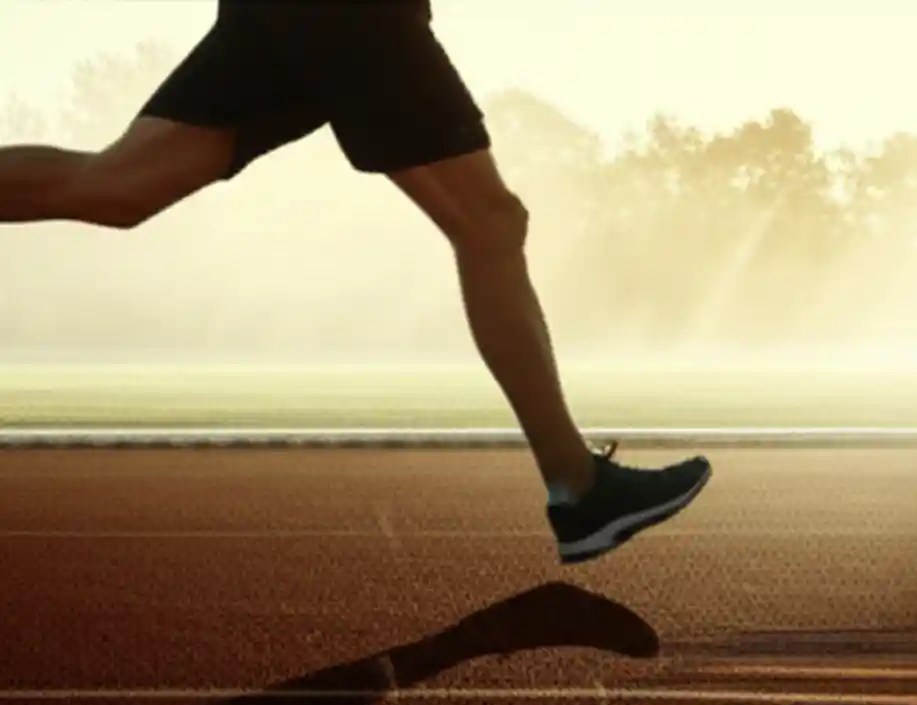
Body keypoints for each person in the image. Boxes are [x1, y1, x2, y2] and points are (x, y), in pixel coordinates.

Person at [0, 0, 712, 564]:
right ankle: (578, 487)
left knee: (117, 190)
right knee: (489, 224)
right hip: (351, 13)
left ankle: (578, 484)